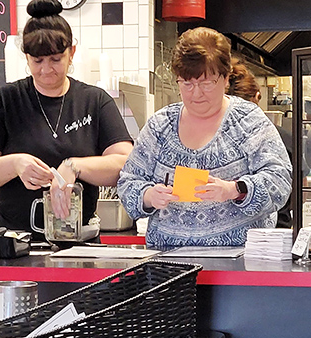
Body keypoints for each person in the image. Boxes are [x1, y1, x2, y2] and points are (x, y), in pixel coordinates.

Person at [0, 0, 133, 233]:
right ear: (26, 57)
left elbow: (125, 164)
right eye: (37, 61)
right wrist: (15, 163)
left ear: (71, 53)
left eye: (56, 59)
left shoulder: (94, 101)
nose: (46, 70)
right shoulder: (5, 101)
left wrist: (73, 167)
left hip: (78, 242)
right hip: (15, 243)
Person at [117, 27, 292, 248]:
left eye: (206, 83)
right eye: (187, 83)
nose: (196, 93)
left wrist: (234, 190)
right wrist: (149, 196)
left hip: (240, 262)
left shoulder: (248, 121)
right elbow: (127, 183)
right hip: (168, 263)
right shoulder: (160, 126)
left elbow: (280, 180)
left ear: (226, 78)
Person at [227, 58, 306, 228]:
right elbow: (301, 192)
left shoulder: (212, 139)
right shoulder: (281, 136)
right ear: (257, 96)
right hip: (274, 235)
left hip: (222, 240)